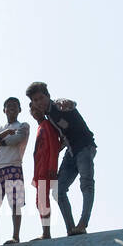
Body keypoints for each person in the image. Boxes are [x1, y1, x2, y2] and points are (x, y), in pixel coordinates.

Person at [25, 81, 96, 235]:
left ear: (48, 96)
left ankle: (83, 223)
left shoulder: (57, 105)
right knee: (58, 190)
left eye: (41, 98)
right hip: (71, 151)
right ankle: (71, 229)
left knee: (86, 183)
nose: (38, 103)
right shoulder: (47, 116)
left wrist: (68, 102)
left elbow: (69, 104)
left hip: (85, 147)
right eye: (35, 101)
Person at [0, 96, 30, 245]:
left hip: (14, 165)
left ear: (20, 109)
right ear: (4, 110)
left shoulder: (23, 125)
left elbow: (17, 139)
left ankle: (15, 236)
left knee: (15, 203)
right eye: (8, 106)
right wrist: (5, 135)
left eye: (15, 106)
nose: (12, 108)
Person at [30, 97, 62, 239]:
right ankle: (45, 231)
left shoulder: (47, 125)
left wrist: (52, 166)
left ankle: (46, 232)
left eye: (37, 109)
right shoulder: (40, 126)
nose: (35, 112)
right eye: (32, 110)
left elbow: (55, 145)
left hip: (46, 169)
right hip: (39, 170)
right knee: (40, 200)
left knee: (43, 199)